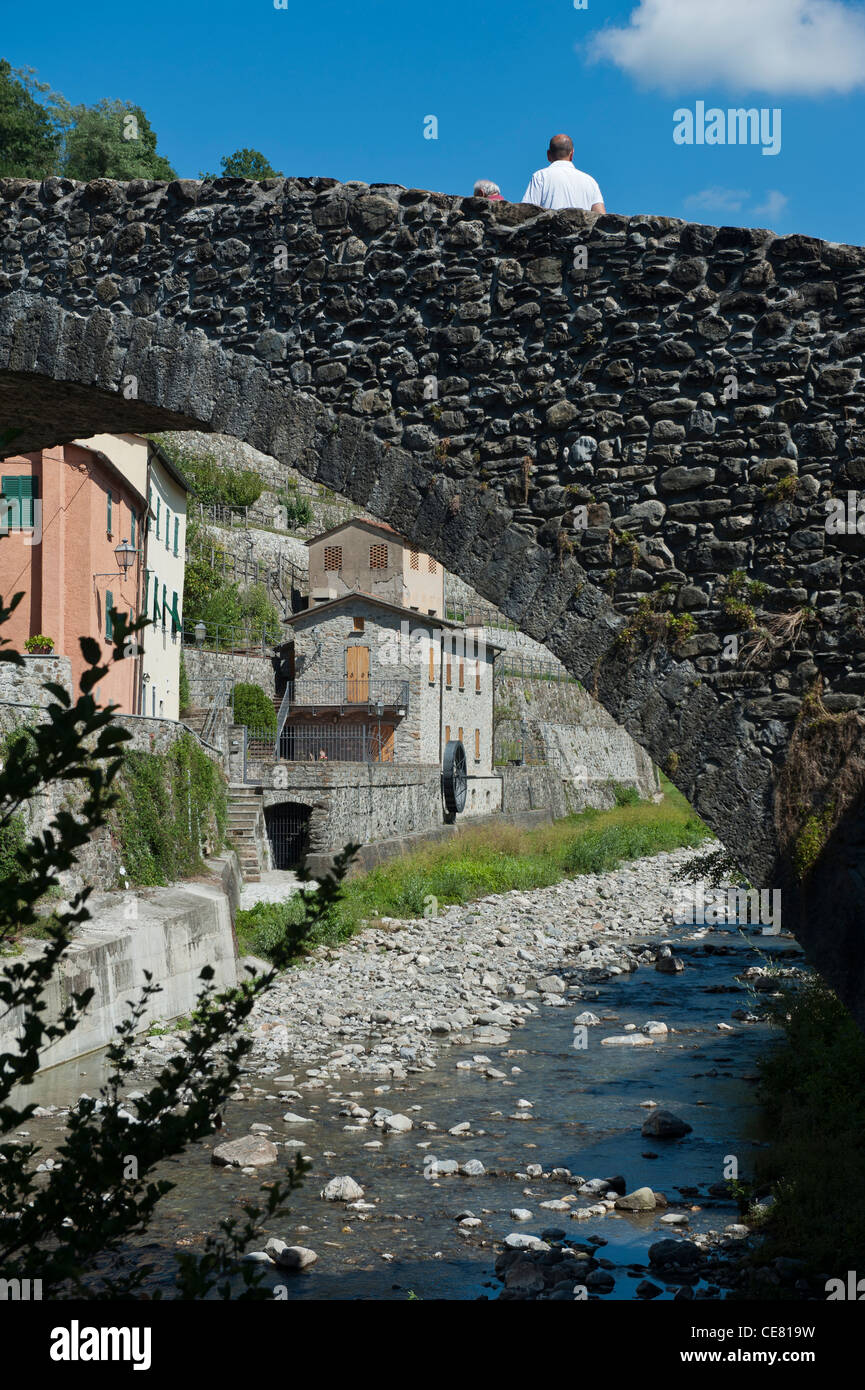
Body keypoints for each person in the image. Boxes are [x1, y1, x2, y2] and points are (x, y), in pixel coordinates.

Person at [522, 134, 605, 212]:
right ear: (572, 154)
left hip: (550, 227)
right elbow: (601, 217)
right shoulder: (590, 181)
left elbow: (526, 211)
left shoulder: (540, 176)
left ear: (548, 154)